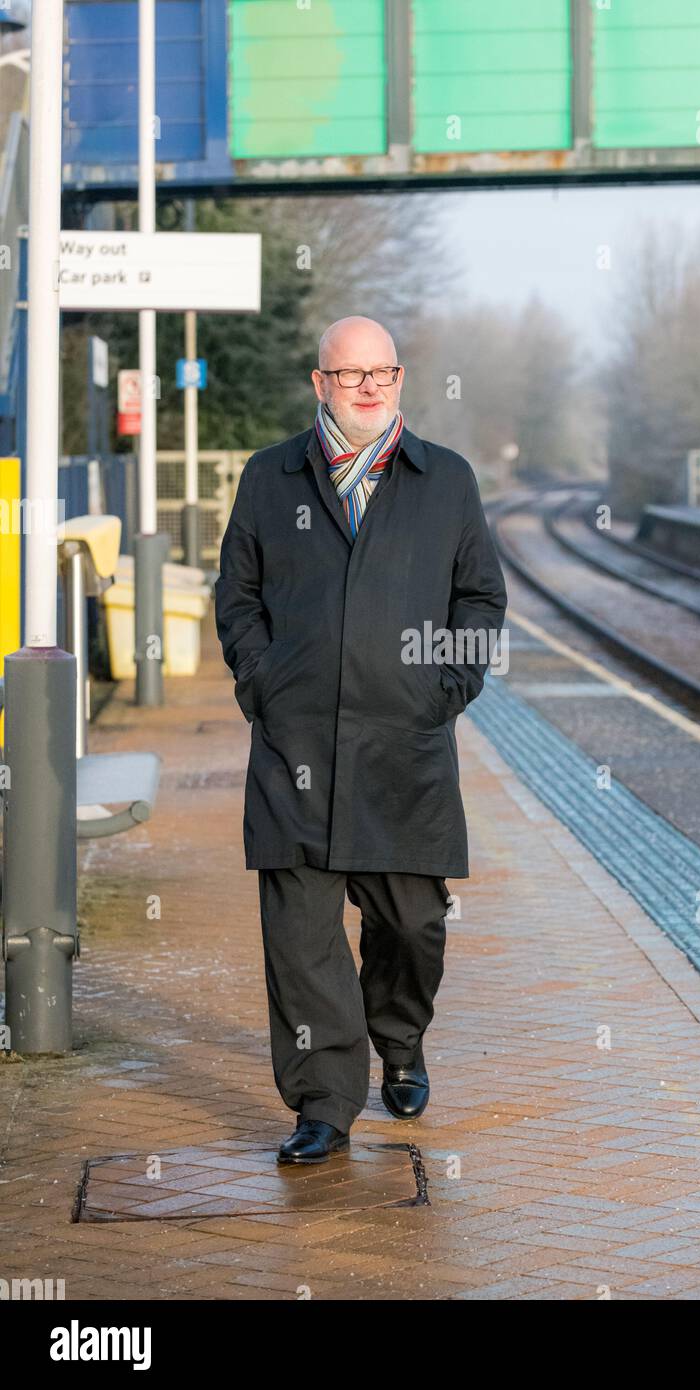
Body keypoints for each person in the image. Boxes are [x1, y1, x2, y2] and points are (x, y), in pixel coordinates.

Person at [214, 315, 508, 1163]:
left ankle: (400, 1041)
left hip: (402, 746)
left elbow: (478, 599)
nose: (369, 387)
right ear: (319, 384)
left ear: (401, 379)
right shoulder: (270, 476)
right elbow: (238, 596)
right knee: (301, 939)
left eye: (382, 372)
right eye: (351, 375)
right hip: (294, 748)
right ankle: (323, 1104)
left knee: (412, 924)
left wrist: (443, 688)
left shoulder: (443, 478)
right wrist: (262, 682)